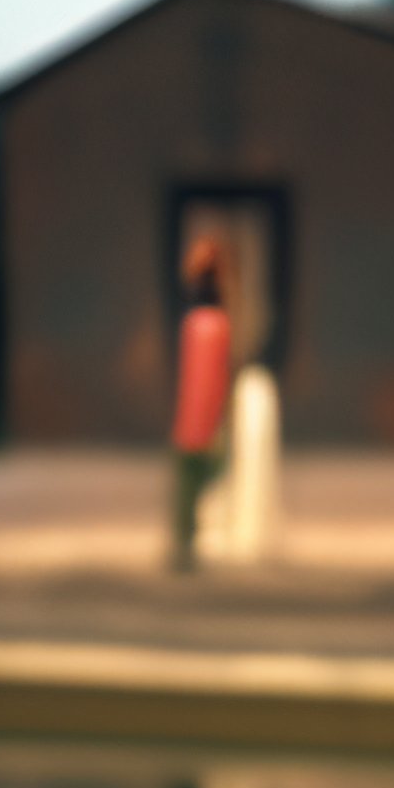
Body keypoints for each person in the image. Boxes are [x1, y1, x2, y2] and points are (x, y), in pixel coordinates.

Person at [166, 236, 232, 572]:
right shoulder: (210, 324)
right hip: (198, 420)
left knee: (190, 485)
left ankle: (188, 541)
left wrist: (200, 423)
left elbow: (203, 382)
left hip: (197, 422)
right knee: (190, 485)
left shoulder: (204, 325)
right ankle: (186, 541)